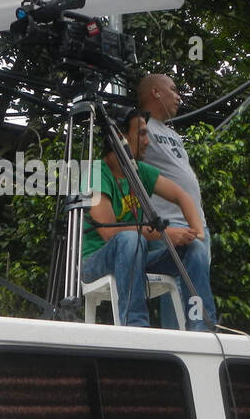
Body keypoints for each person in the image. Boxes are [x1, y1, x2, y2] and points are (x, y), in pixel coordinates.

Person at [82, 109, 216, 331]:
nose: (147, 141)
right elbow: (109, 233)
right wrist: (166, 234)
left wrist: (198, 233)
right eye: (142, 134)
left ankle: (202, 326)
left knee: (194, 249)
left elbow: (181, 195)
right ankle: (136, 326)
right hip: (97, 261)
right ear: (120, 137)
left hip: (135, 256)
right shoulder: (96, 173)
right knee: (129, 240)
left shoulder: (140, 171)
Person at [136, 74, 209, 330]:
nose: (179, 97)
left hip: (194, 222)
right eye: (174, 90)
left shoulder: (171, 133)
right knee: (176, 289)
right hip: (171, 225)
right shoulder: (140, 126)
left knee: (195, 287)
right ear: (156, 93)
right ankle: (182, 345)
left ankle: (201, 334)